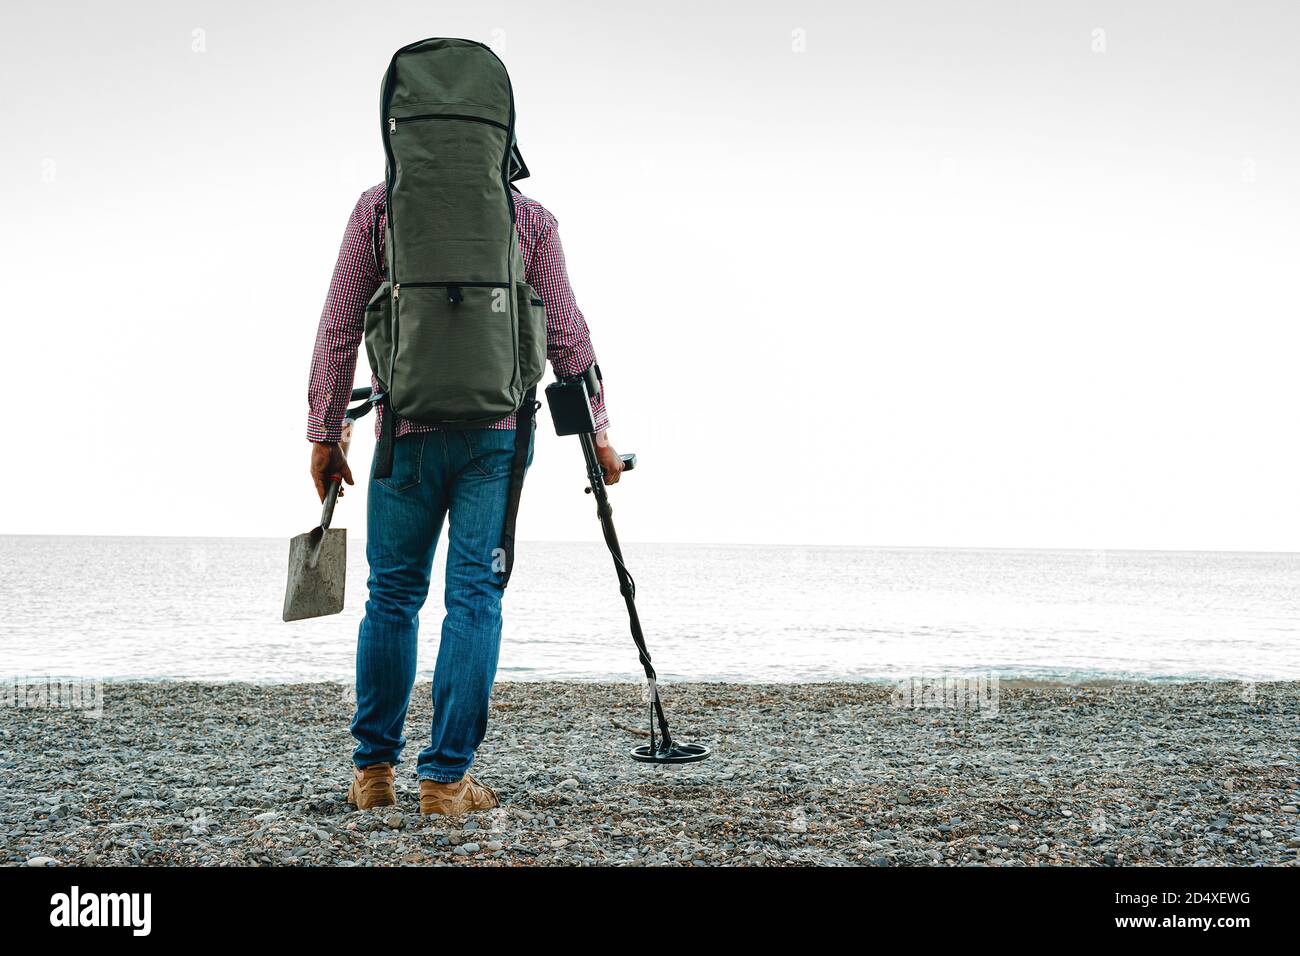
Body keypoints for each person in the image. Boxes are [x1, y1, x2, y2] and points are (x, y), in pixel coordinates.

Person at [305, 179, 622, 815]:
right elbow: (567, 338)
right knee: (474, 595)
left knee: (391, 596)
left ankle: (373, 773)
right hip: (496, 438)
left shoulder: (379, 207)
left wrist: (325, 430)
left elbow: (338, 325)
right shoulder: (527, 216)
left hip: (404, 430)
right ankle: (446, 781)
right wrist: (601, 435)